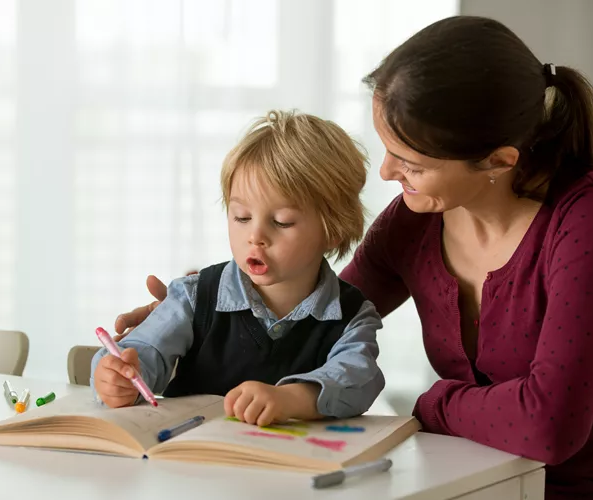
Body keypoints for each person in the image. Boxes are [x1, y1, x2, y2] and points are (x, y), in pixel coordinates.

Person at [113, 16, 593, 499]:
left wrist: (436, 402)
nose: (387, 175)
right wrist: (200, 312)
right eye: (388, 148)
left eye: (411, 163)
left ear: (497, 160)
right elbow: (313, 319)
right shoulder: (416, 219)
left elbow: (549, 426)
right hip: (469, 478)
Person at [91, 110, 385, 427]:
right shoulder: (194, 296)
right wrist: (116, 377)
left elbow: (359, 378)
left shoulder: (353, 315)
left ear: (333, 231)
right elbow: (143, 351)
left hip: (294, 469)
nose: (255, 236)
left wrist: (289, 399)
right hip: (189, 463)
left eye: (281, 222)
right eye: (241, 217)